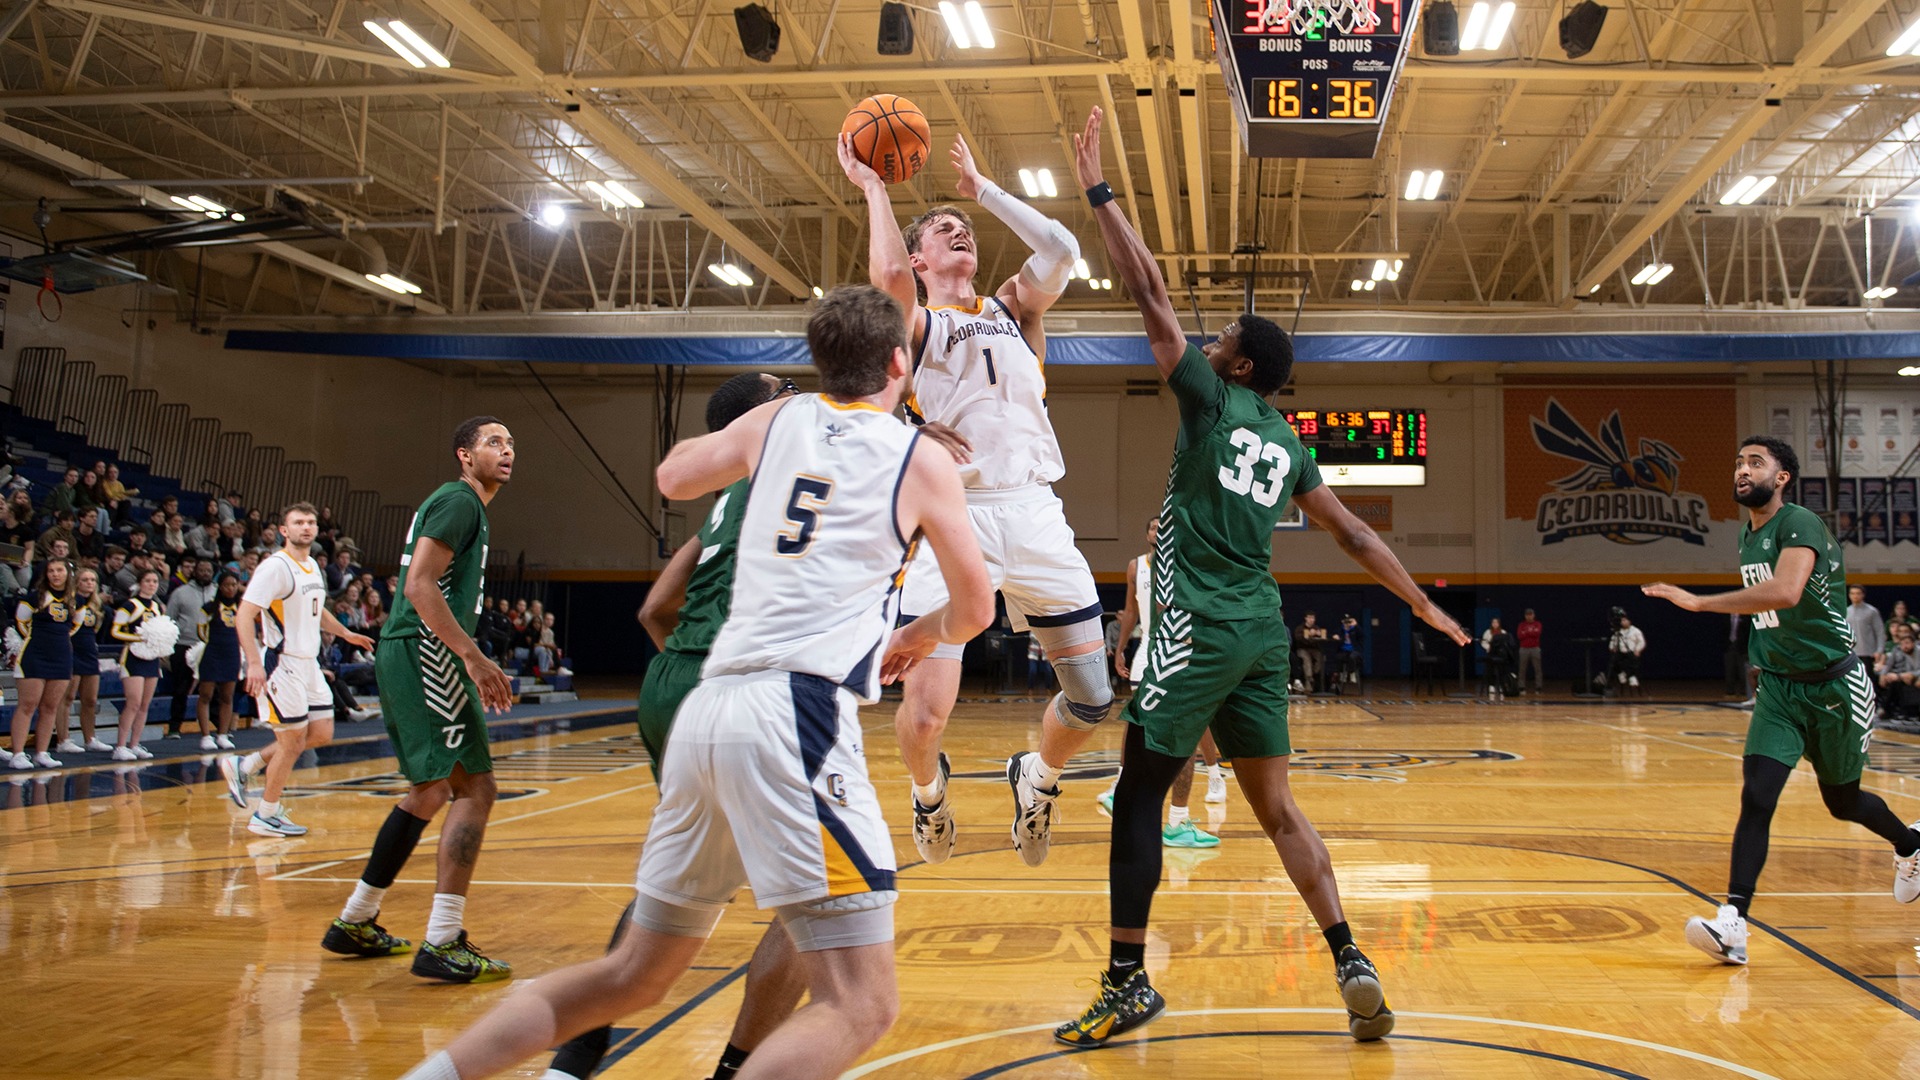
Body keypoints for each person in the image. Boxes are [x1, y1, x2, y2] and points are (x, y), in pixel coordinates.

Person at [398, 285, 994, 1080]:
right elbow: (977, 608)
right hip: (797, 715)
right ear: (897, 363)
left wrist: (759, 436)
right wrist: (921, 635)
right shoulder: (918, 454)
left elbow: (675, 476)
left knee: (631, 975)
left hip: (707, 711)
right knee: (860, 1003)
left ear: (819, 365)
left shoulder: (780, 418)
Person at [1054, 106, 1471, 1049]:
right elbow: (1359, 535)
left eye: (1221, 339)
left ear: (1238, 364)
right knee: (1276, 807)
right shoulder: (1287, 442)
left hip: (1197, 622)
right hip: (1260, 630)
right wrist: (1421, 604)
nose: (1202, 343)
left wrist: (1100, 194)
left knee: (1134, 795)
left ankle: (1127, 981)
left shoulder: (1207, 402)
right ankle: (1350, 957)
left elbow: (1150, 291)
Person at [841, 125, 1107, 869]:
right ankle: (928, 794)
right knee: (924, 718)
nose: (961, 234)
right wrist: (874, 189)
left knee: (1092, 696)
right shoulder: (918, 324)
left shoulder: (1016, 309)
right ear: (923, 258)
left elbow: (1061, 250)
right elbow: (889, 278)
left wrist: (982, 190)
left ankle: (1039, 779)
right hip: (951, 522)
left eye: (967, 231)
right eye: (943, 233)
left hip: (1035, 511)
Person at [547, 372, 805, 1080]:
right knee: (823, 907)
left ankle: (574, 1057)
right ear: (762, 417)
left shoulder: (720, 505)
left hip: (674, 684)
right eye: (784, 389)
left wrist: (696, 678)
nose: (797, 394)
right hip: (743, 690)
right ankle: (737, 1070)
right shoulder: (790, 477)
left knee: (680, 881)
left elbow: (654, 609)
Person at [1644, 435, 1920, 965]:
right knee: (1757, 796)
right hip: (1780, 691)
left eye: (1755, 463)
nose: (1742, 470)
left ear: (1782, 477)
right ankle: (1733, 922)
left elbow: (1787, 592)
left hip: (1836, 687)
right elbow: (1774, 615)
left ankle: (1909, 847)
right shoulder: (1748, 537)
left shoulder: (1799, 522)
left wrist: (1699, 603)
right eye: (1738, 462)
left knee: (1843, 803)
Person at [318, 418, 517, 983]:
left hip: (412, 651)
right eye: (492, 443)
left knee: (429, 791)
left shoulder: (461, 504)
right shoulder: (460, 501)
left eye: (510, 445)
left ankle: (356, 918)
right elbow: (419, 586)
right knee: (475, 786)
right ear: (464, 454)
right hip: (428, 650)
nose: (505, 452)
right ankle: (444, 939)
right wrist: (473, 657)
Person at [219, 504, 375, 837]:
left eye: (310, 522)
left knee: (320, 734)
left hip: (309, 663)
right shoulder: (275, 567)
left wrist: (347, 633)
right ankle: (266, 814)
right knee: (291, 742)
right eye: (298, 523)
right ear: (284, 531)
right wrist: (255, 664)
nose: (306, 527)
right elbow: (245, 615)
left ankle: (245, 765)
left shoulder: (312, 567)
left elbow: (317, 611)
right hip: (282, 662)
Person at [9, 559, 75, 769]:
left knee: (50, 707)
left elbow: (73, 626)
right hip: (35, 655)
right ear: (45, 574)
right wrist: (38, 640)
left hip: (61, 657)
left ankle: (42, 753)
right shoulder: (34, 597)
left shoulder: (73, 600)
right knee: (27, 705)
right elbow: (20, 622)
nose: (56, 574)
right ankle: (18, 754)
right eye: (51, 571)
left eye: (60, 570)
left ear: (67, 573)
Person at [109, 567, 168, 761]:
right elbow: (115, 631)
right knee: (133, 703)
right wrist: (139, 638)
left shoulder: (157, 607)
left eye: (155, 581)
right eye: (148, 581)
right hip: (133, 657)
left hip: (151, 658)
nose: (152, 584)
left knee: (144, 704)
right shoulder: (129, 605)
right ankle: (120, 746)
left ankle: (134, 744)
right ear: (140, 583)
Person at [52, 567, 112, 755]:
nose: (89, 583)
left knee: (91, 699)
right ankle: (63, 739)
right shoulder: (71, 602)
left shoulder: (96, 604)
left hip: (89, 653)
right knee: (67, 698)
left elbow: (95, 631)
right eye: (85, 579)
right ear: (77, 582)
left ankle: (90, 738)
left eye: (92, 580)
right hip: (71, 651)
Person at [164, 556, 215, 739]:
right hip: (184, 645)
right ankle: (174, 728)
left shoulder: (217, 593)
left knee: (212, 688)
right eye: (201, 570)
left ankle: (218, 729)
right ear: (194, 572)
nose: (205, 573)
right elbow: (169, 619)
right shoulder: (180, 592)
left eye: (208, 570)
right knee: (180, 688)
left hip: (210, 647)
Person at [196, 572, 244, 751]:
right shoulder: (208, 608)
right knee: (206, 694)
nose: (230, 588)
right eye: (227, 585)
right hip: (213, 652)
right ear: (220, 587)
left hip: (232, 653)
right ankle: (206, 735)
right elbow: (200, 632)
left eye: (234, 584)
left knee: (227, 695)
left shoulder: (242, 607)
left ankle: (223, 734)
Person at [1878, 622, 1920, 721]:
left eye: (1907, 643)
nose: (1905, 646)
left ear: (1913, 643)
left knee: (1899, 681)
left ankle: (1888, 709)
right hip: (1901, 676)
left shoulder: (1918, 652)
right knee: (1893, 680)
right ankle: (1888, 710)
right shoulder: (1896, 650)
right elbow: (1888, 666)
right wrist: (1882, 675)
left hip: (1914, 676)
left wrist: (1905, 675)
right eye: (1902, 644)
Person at [1847, 585, 1886, 682]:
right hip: (1851, 652)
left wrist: (1879, 650)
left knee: (1869, 680)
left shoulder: (1871, 611)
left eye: (1858, 593)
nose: (1855, 596)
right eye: (1852, 593)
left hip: (1868, 652)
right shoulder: (1846, 611)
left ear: (1863, 595)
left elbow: (1880, 632)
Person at [1606, 610, 1645, 692]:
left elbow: (1641, 641)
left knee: (1633, 660)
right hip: (1620, 652)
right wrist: (1612, 647)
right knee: (1613, 660)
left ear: (1629, 621)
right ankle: (1621, 674)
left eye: (1625, 620)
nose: (1623, 622)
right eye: (1622, 621)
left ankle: (1632, 676)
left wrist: (1637, 650)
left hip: (1631, 652)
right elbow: (1613, 641)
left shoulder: (1635, 631)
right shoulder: (1618, 631)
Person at [1480, 617, 1516, 701]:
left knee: (1502, 670)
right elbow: (1483, 642)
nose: (1495, 624)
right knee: (1490, 669)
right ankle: (1491, 686)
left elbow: (1508, 643)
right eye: (1493, 623)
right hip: (1491, 655)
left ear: (1499, 624)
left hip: (1501, 655)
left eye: (1496, 623)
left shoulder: (1503, 632)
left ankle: (1501, 686)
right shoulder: (1488, 632)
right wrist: (1488, 647)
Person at [1294, 611, 1327, 693]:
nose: (1311, 620)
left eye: (1313, 618)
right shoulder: (1300, 628)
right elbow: (1298, 639)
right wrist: (1309, 634)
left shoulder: (1316, 628)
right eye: (1309, 618)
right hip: (1303, 649)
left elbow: (1322, 639)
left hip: (1314, 650)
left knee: (1321, 657)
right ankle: (1308, 683)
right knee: (1306, 660)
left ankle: (1313, 675)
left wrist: (1319, 634)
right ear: (1306, 618)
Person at [1515, 608, 1544, 694]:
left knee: (1537, 668)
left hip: (1535, 648)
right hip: (1524, 648)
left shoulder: (1537, 624)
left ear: (1533, 615)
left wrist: (1526, 632)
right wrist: (1530, 632)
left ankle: (1538, 687)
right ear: (1525, 616)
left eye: (1530, 614)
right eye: (1527, 615)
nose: (1529, 616)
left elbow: (1537, 633)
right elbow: (1520, 636)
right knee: (1522, 669)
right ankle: (1521, 687)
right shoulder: (1521, 625)